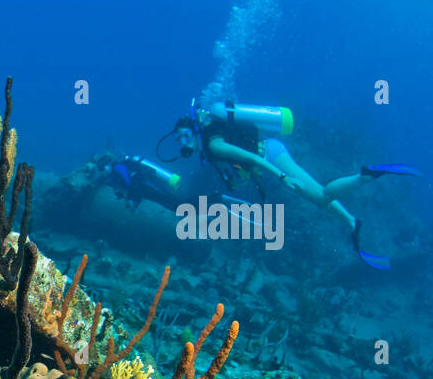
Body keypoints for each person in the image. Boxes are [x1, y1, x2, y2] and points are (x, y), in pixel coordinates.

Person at [164, 100, 422, 269]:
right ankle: (352, 221)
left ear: (195, 131)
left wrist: (281, 177)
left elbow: (251, 157)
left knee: (321, 196)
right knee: (321, 197)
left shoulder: (212, 143)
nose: (183, 144)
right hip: (272, 149)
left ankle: (365, 176)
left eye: (185, 136)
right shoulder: (211, 140)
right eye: (179, 140)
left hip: (271, 157)